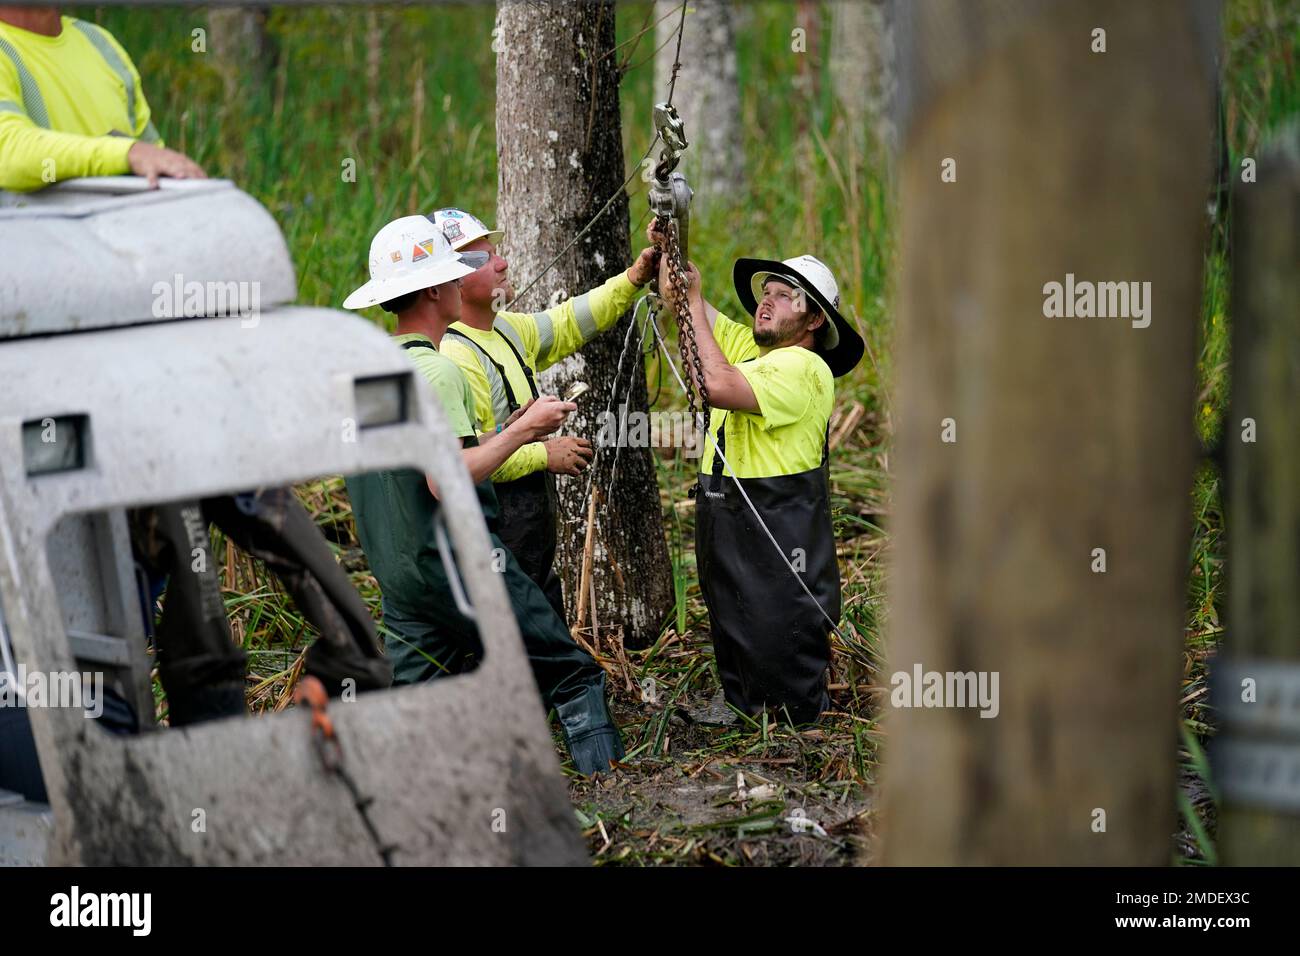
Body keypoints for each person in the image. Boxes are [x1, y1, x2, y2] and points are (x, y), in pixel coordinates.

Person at [342, 215, 624, 775]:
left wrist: (508, 429)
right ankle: (614, 798)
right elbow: (444, 479)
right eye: (451, 274)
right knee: (572, 671)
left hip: (400, 578)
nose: (460, 283)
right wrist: (523, 434)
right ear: (433, 291)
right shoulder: (439, 372)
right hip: (463, 566)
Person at [657, 229, 865, 725]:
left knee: (778, 620)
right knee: (732, 612)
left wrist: (688, 298)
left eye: (784, 296)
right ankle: (746, 709)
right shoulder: (752, 351)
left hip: (778, 520)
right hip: (726, 510)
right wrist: (671, 236)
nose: (766, 302)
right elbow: (684, 304)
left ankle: (792, 721)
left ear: (814, 319)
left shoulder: (804, 367)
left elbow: (717, 384)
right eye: (765, 292)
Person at [429, 207, 658, 618]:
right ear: (449, 282)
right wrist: (546, 454)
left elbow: (571, 321)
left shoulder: (509, 329)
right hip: (495, 536)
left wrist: (635, 278)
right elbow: (470, 465)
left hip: (529, 538)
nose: (501, 262)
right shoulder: (456, 354)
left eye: (494, 252)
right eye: (481, 259)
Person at [0, 5, 204, 191]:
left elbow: (153, 156)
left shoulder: (98, 41)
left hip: (124, 225)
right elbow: (7, 152)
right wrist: (127, 154)